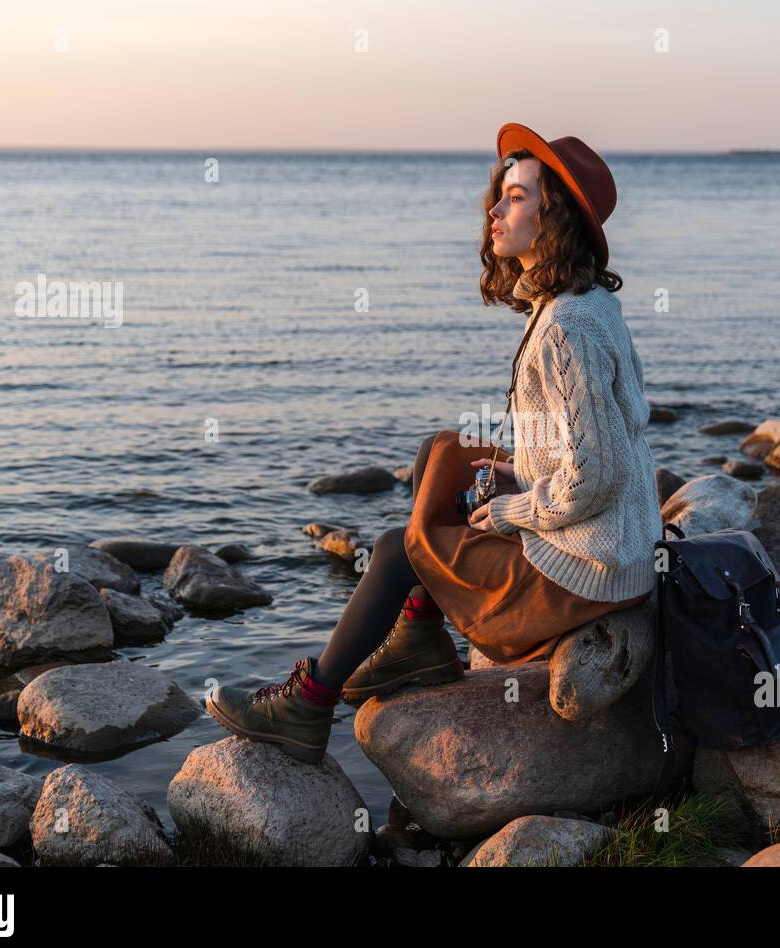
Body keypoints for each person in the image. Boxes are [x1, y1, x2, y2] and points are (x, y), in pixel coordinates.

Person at [205, 122, 663, 763]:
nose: (496, 211)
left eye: (518, 197)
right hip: (611, 549)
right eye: (500, 195)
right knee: (443, 454)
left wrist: (511, 509)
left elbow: (596, 476)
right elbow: (594, 448)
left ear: (554, 217)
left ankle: (306, 705)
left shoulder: (565, 328)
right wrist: (521, 480)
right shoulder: (582, 303)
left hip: (590, 573)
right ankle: (419, 634)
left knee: (396, 550)